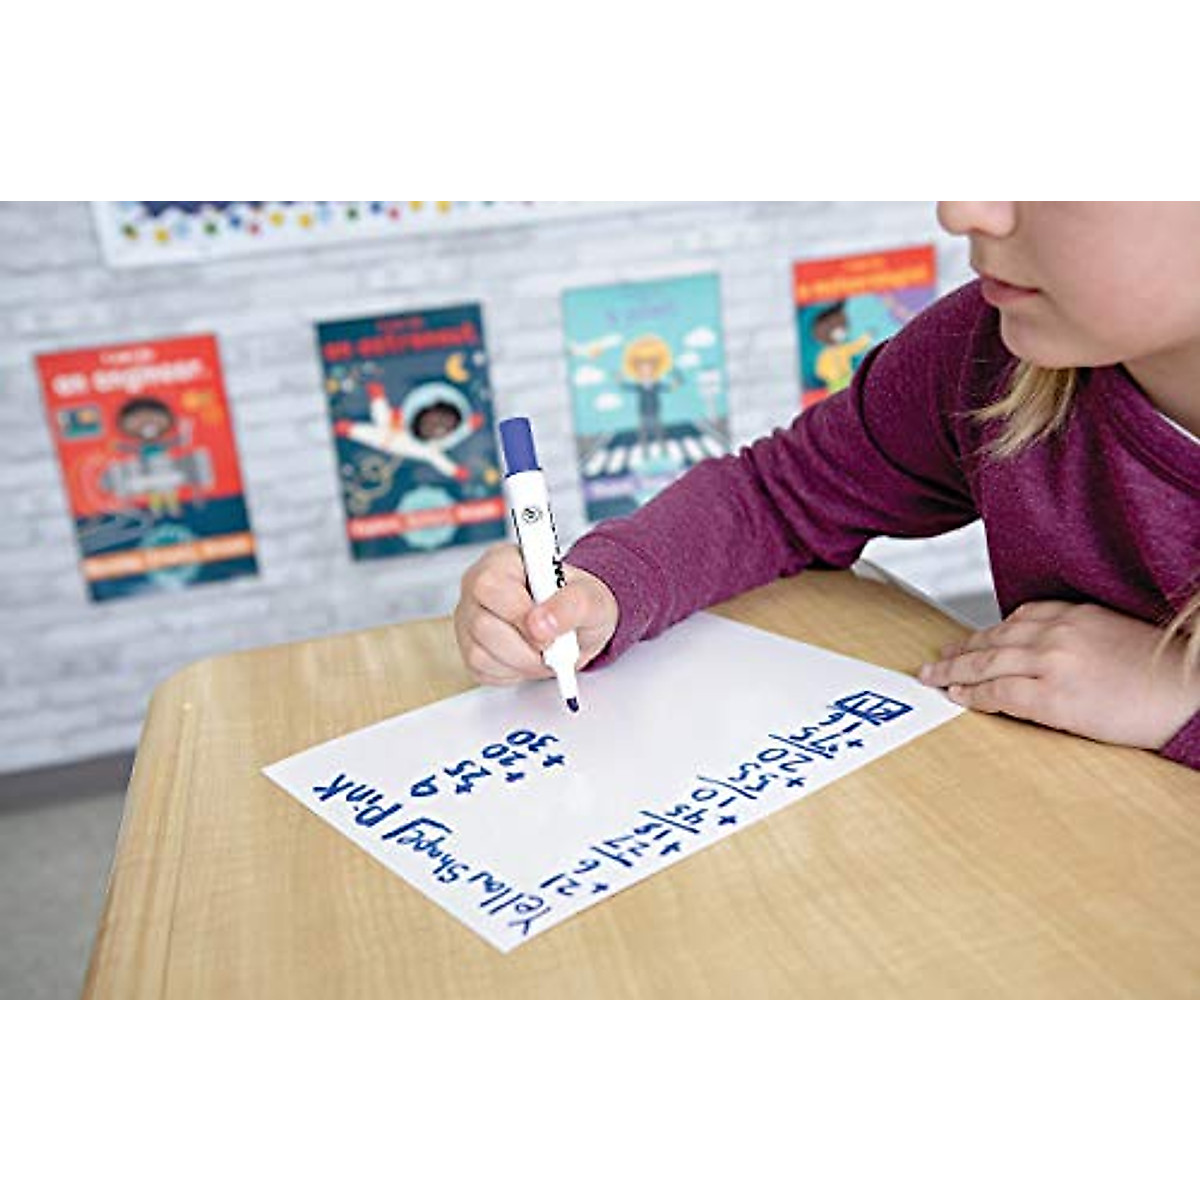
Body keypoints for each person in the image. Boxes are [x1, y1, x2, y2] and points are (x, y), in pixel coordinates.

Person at [454, 203, 1200, 770]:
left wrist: (1178, 702)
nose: (959, 210)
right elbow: (777, 495)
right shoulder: (986, 356)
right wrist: (604, 591)